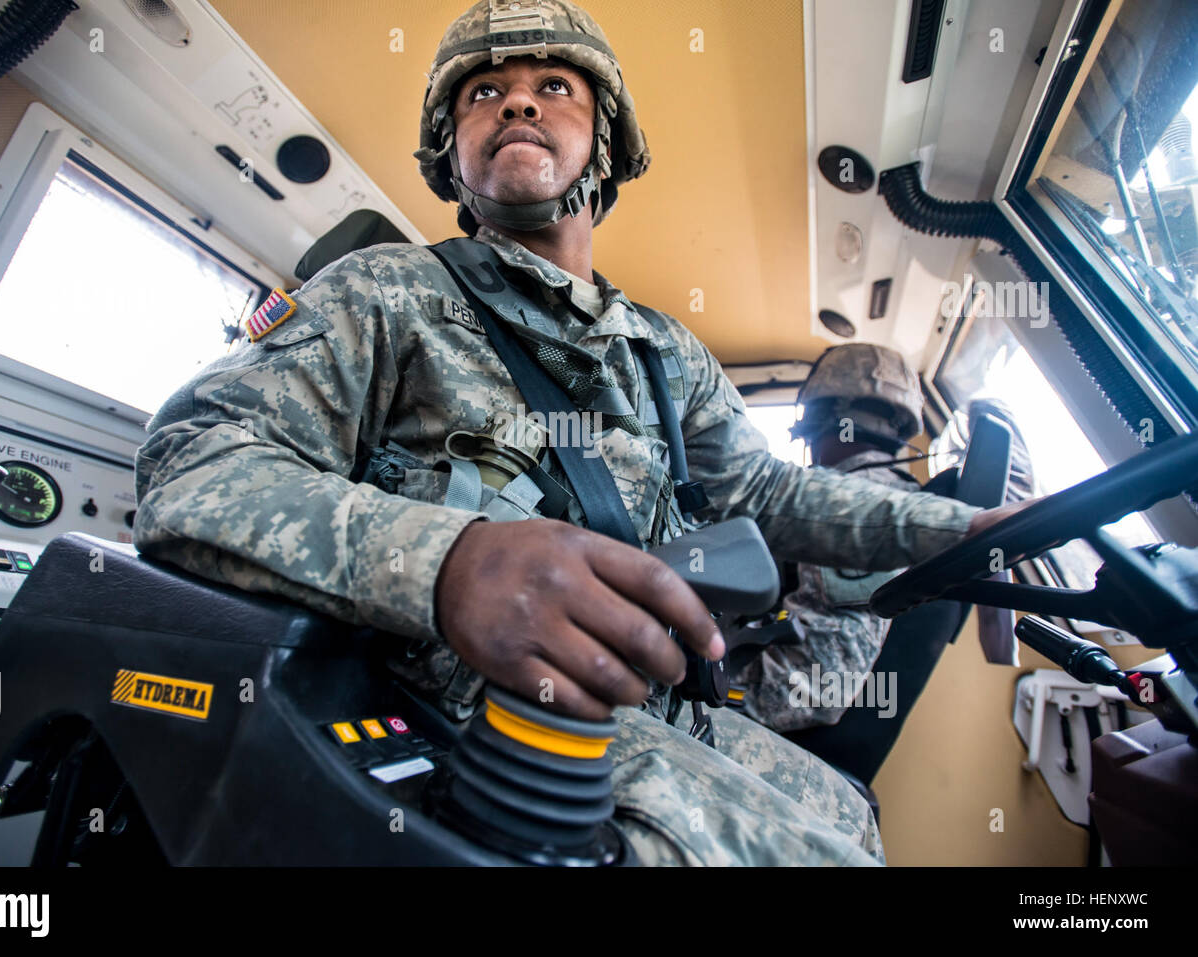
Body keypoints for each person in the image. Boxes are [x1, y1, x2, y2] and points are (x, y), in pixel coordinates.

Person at [133, 0, 1024, 866]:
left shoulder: (666, 349)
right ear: (451, 153)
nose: (517, 101)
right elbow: (192, 460)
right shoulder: (385, 289)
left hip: (661, 705)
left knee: (851, 819)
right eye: (483, 93)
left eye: (554, 85)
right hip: (471, 715)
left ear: (604, 143)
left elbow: (770, 493)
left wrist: (961, 532)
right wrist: (446, 563)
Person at [731, 343, 926, 732]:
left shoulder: (855, 503)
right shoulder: (896, 496)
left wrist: (698, 687)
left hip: (768, 723)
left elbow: (817, 683)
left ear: (822, 417)